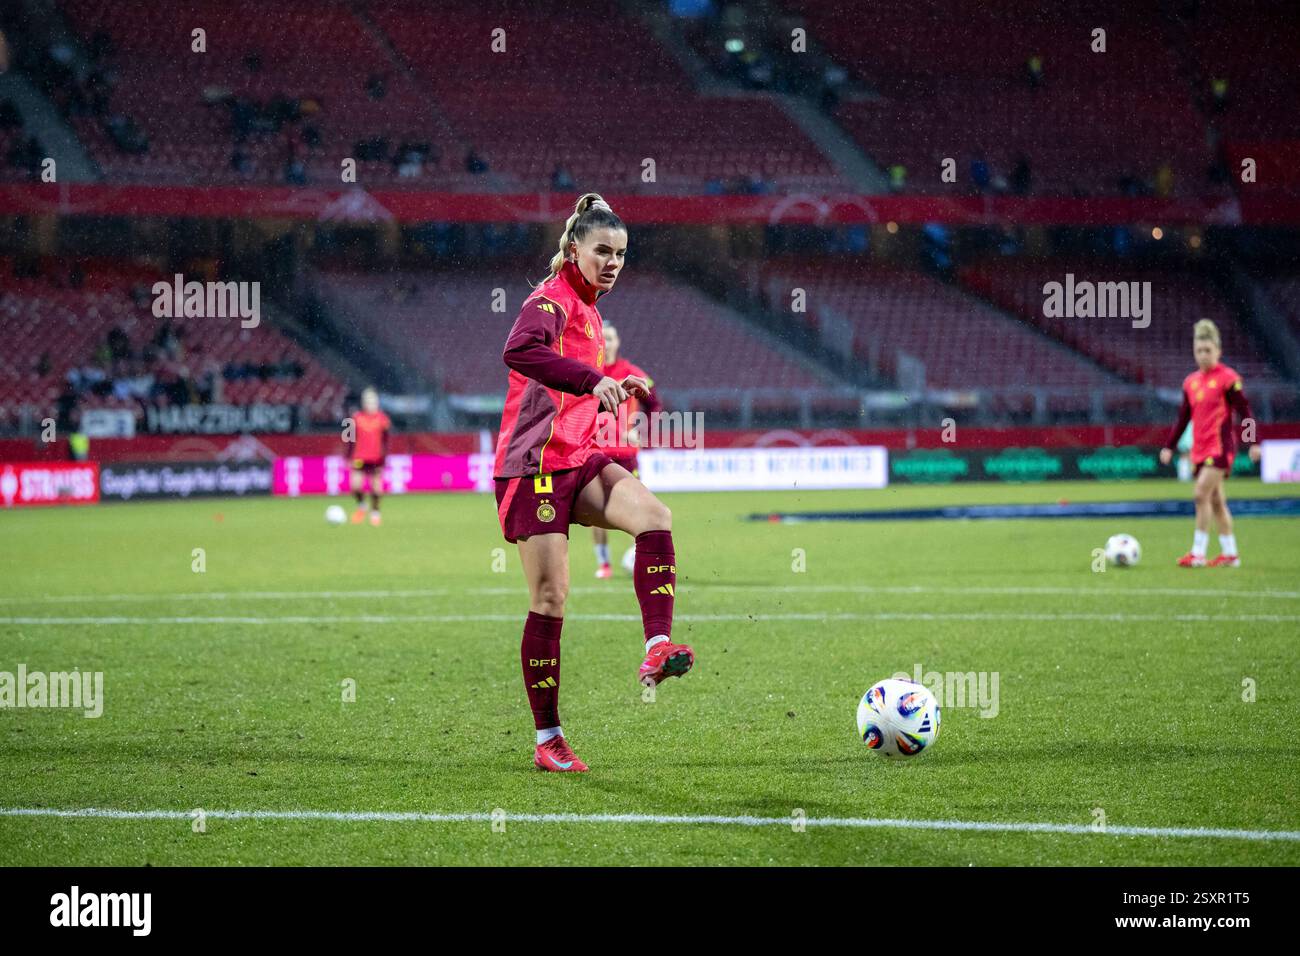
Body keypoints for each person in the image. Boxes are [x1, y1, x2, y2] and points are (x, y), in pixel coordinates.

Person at [493, 193, 694, 773]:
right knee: (551, 599)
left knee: (655, 518)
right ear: (574, 248)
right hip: (532, 468)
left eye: (621, 254)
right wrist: (590, 380)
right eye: (602, 250)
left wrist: (613, 389)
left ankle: (657, 646)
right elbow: (518, 350)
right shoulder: (551, 300)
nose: (612, 262)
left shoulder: (590, 305)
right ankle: (548, 739)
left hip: (577, 456)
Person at [1159, 320, 1261, 567]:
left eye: (1208, 350)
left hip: (1220, 447)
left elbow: (1245, 412)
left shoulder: (1228, 379)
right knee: (1216, 501)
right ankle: (1230, 554)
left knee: (1199, 494)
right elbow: (1183, 419)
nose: (1203, 355)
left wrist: (1253, 442)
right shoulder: (1190, 382)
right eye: (1199, 351)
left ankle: (1198, 553)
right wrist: (1169, 446)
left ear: (1218, 351)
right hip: (1200, 447)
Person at [591, 323, 662, 579]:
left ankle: (635, 554)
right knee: (597, 509)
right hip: (595, 451)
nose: (607, 343)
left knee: (637, 505)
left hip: (625, 452)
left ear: (618, 342)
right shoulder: (590, 372)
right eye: (603, 339)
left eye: (610, 338)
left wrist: (641, 431)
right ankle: (604, 563)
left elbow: (654, 404)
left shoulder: (631, 373)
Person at [345, 387, 390, 526]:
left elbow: (386, 440)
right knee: (355, 486)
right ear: (363, 403)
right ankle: (362, 506)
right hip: (359, 457)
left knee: (376, 488)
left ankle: (375, 513)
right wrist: (348, 457)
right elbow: (349, 439)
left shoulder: (382, 419)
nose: (370, 404)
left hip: (376, 458)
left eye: (373, 401)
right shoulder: (355, 418)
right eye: (368, 401)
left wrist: (384, 458)